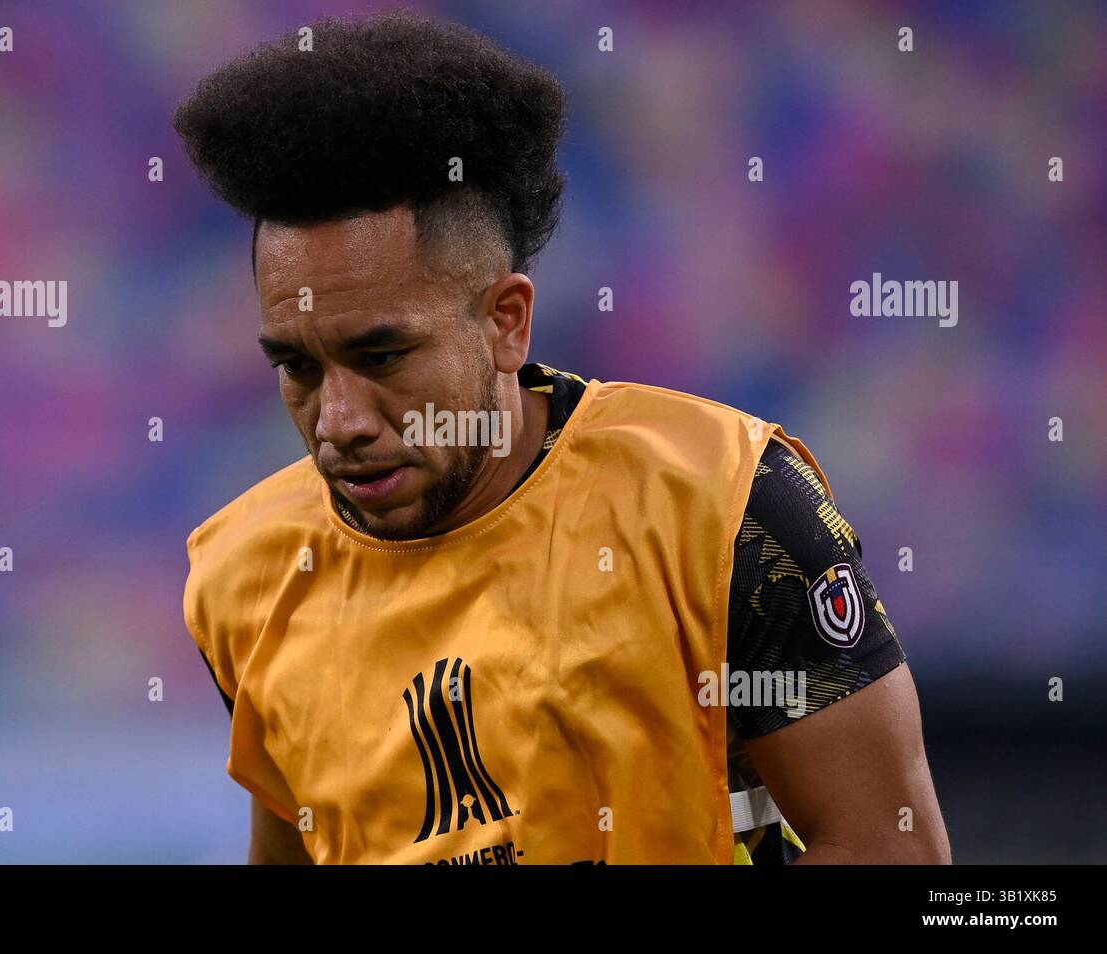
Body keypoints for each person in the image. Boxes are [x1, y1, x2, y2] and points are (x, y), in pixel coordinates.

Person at [175, 11, 949, 865]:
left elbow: (890, 848)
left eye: (382, 354)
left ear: (506, 323)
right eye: (299, 368)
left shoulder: (725, 508)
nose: (340, 423)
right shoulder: (244, 580)